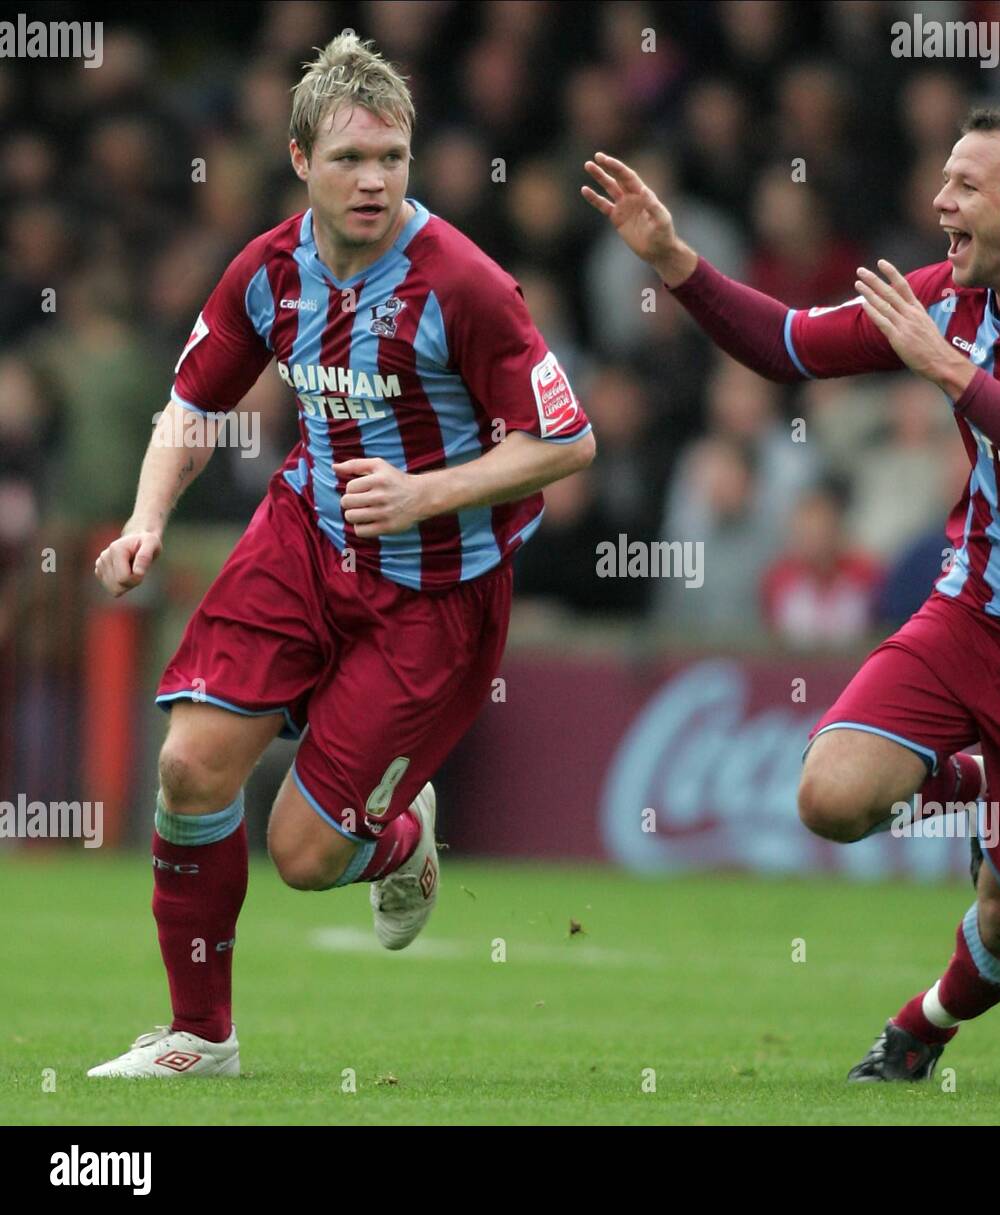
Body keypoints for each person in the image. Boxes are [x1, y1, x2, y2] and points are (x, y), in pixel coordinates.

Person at [583, 108, 1000, 1081]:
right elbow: (788, 345)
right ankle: (988, 783)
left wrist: (949, 371)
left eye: (966, 185)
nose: (939, 201)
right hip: (980, 607)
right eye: (943, 179)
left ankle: (923, 1024)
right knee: (829, 798)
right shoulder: (947, 298)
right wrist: (674, 261)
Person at [88, 33, 594, 1079]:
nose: (373, 181)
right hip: (306, 539)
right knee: (188, 766)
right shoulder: (269, 272)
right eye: (350, 159)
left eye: (392, 158)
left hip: (437, 594)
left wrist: (425, 493)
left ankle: (400, 840)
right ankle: (201, 1036)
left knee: (304, 856)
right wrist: (144, 519)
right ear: (299, 160)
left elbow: (567, 441)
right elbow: (192, 405)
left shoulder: (465, 284)